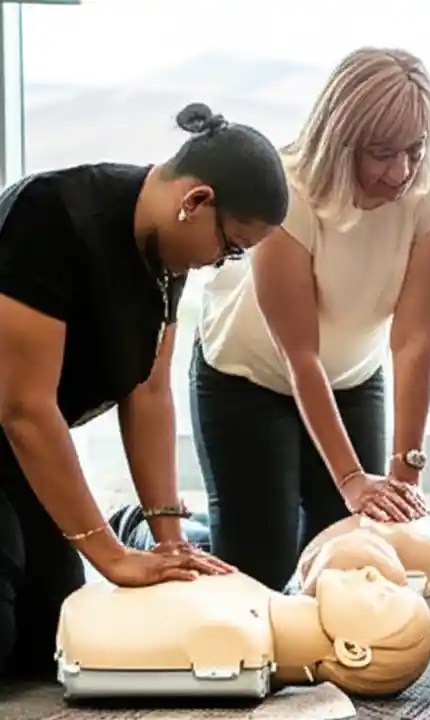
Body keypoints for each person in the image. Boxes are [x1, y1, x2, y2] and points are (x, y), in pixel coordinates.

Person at [0, 102, 287, 678]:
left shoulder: (164, 254)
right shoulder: (49, 216)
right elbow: (23, 407)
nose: (218, 264)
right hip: (16, 423)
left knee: (48, 641)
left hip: (21, 444)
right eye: (231, 247)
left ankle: (128, 520)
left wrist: (167, 539)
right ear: (197, 202)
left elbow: (150, 391)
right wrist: (107, 553)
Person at [191, 47, 430, 591]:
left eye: (413, 150)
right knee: (260, 571)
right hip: (249, 376)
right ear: (342, 139)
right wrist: (351, 478)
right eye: (381, 153)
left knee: (348, 557)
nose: (399, 172)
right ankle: (153, 534)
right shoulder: (290, 192)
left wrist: (405, 473)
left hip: (351, 376)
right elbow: (297, 353)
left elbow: (415, 342)